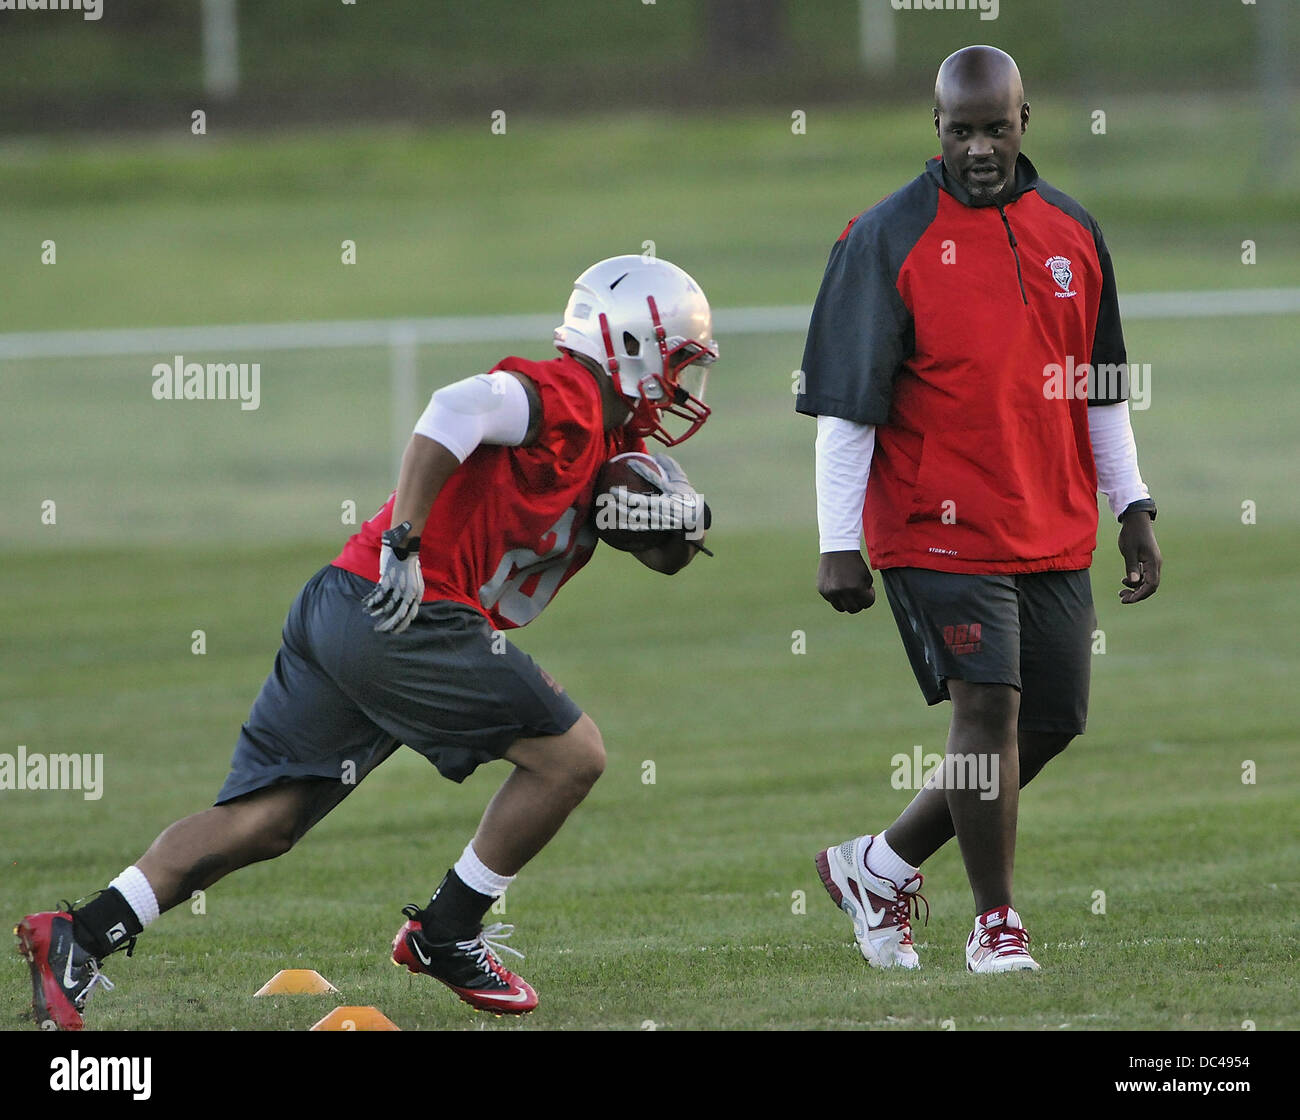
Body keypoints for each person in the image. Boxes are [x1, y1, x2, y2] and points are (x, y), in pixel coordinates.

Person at [16, 254, 718, 1028]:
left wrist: (676, 527)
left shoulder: (600, 448)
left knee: (266, 819)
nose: (685, 384)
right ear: (631, 344)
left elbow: (654, 547)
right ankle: (446, 931)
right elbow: (453, 409)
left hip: (342, 604)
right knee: (572, 755)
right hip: (407, 608)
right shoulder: (568, 398)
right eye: (681, 360)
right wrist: (407, 542)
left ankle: (78, 936)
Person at [797, 45, 1161, 972]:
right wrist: (840, 543)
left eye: (995, 128)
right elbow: (845, 409)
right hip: (933, 527)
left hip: (1050, 519)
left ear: (1023, 123)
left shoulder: (1074, 232)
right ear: (937, 131)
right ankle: (996, 924)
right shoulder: (883, 239)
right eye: (961, 132)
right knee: (987, 707)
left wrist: (1133, 505)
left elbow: (1102, 388)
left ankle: (875, 866)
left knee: (1052, 720)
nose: (980, 149)